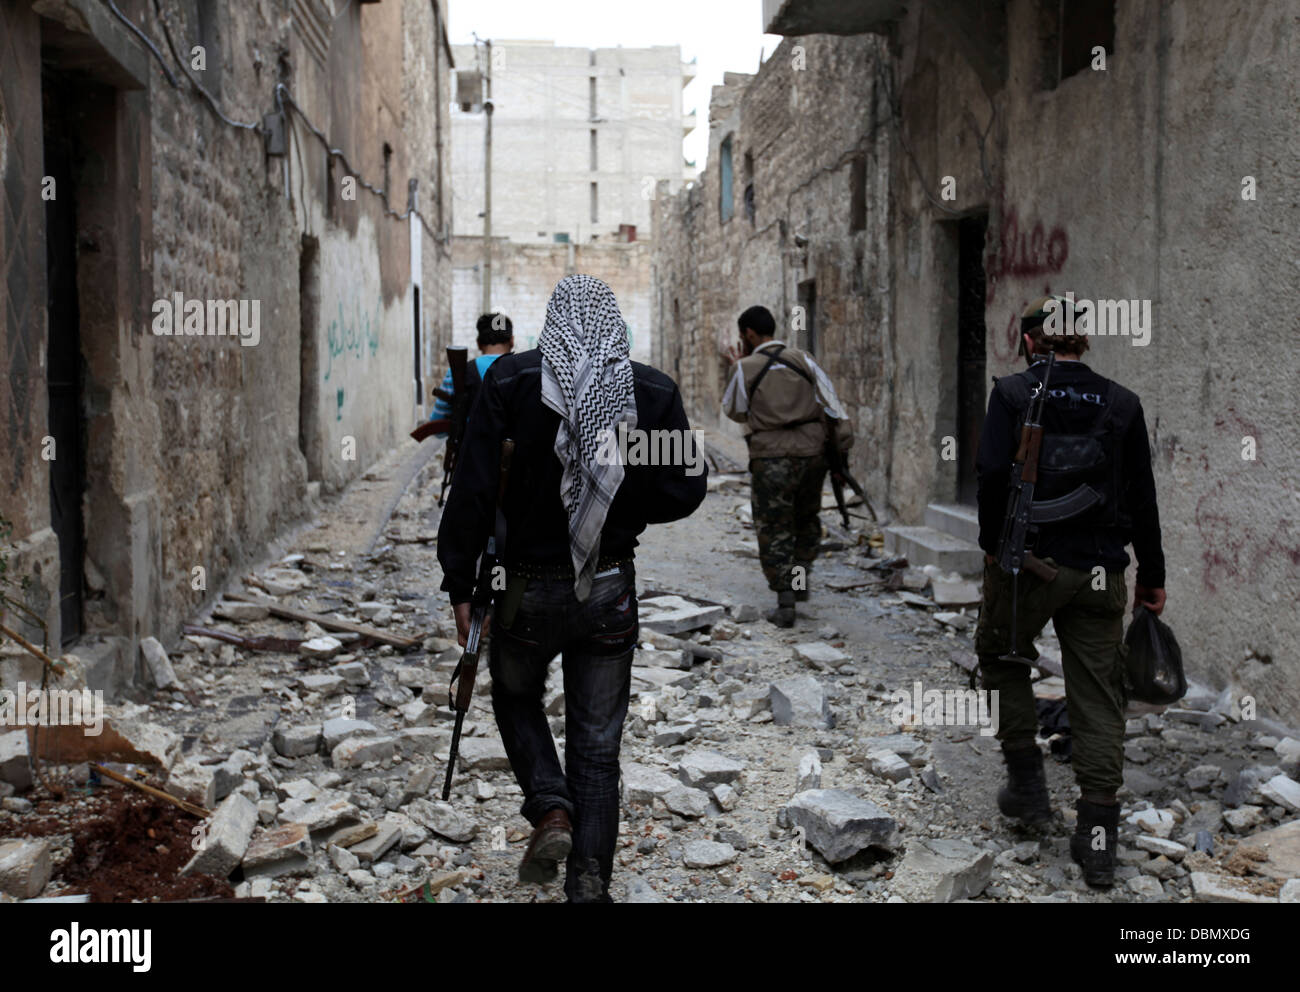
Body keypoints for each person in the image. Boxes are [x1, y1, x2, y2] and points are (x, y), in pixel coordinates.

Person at [437, 274, 706, 902]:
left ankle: (551, 807)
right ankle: (589, 882)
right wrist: (621, 506)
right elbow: (686, 487)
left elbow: (471, 492)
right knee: (597, 741)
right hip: (608, 587)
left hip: (521, 589)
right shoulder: (650, 390)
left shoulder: (509, 382)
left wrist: (459, 581)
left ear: (553, 320)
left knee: (514, 697)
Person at [975, 295, 1166, 889]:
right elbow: (1143, 496)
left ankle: (1029, 786)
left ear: (1031, 341)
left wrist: (992, 544)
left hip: (1029, 567)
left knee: (1004, 658)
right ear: (1082, 340)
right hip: (1104, 572)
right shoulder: (1121, 403)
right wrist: (1153, 576)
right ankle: (1098, 837)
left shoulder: (1010, 394)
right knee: (1099, 692)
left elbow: (986, 474)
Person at [722, 305, 852, 627]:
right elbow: (831, 402)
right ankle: (798, 580)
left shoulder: (745, 368)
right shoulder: (804, 359)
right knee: (806, 519)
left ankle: (786, 601)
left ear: (749, 334)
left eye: (744, 335)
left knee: (774, 525)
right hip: (812, 456)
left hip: (771, 458)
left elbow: (734, 411)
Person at [428, 312, 514, 436]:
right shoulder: (525, 371)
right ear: (512, 341)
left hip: (470, 454)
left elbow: (437, 427)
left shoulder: (457, 372)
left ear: (478, 343)